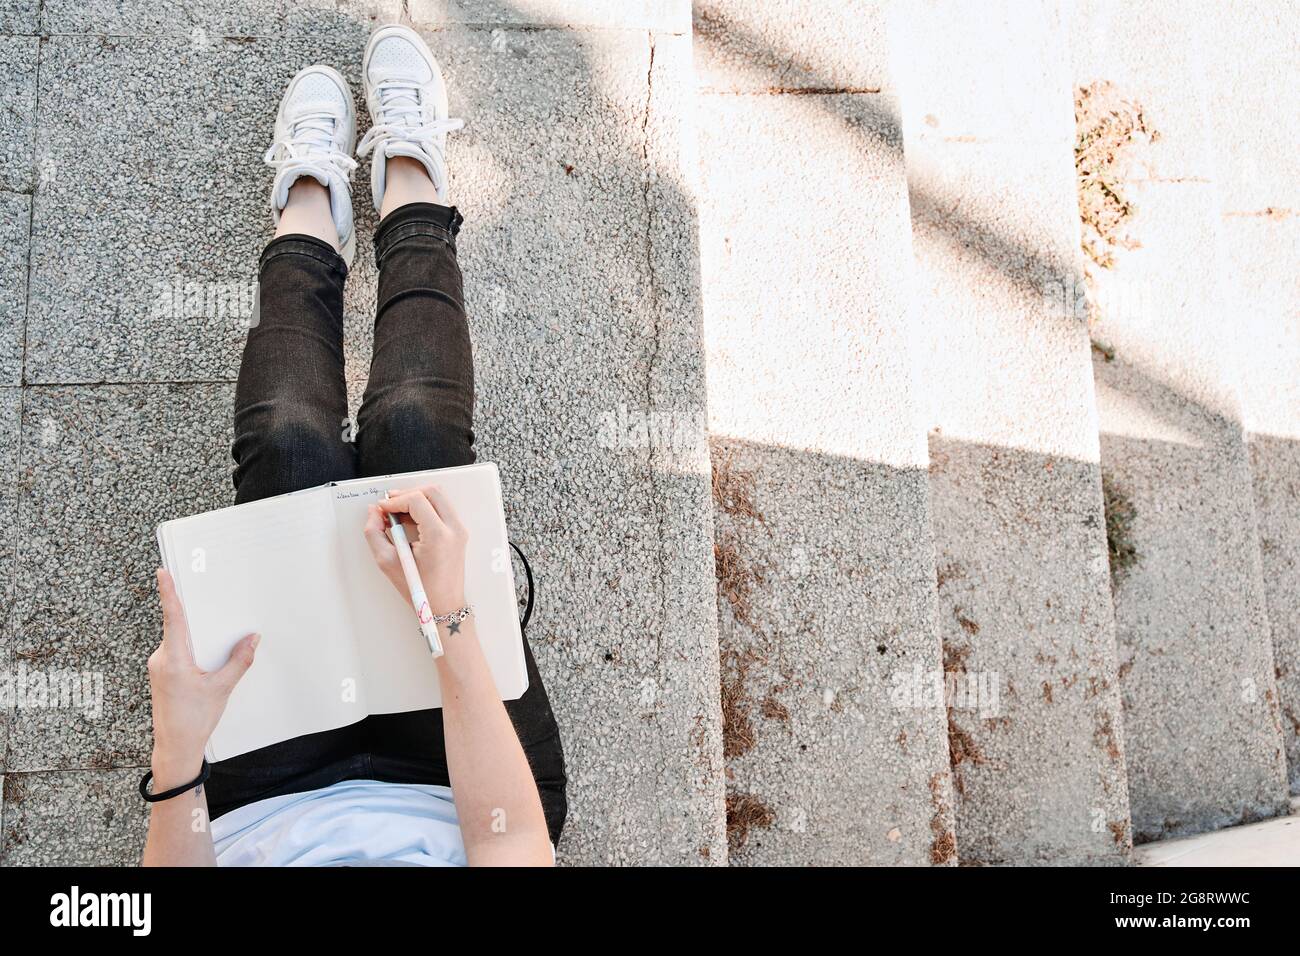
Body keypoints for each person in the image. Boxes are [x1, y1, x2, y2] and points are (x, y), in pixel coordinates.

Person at [140, 24, 566, 867]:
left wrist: (178, 753)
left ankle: (307, 212)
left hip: (263, 796)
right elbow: (517, 839)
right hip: (454, 787)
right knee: (418, 434)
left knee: (284, 445)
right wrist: (449, 616)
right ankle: (412, 185)